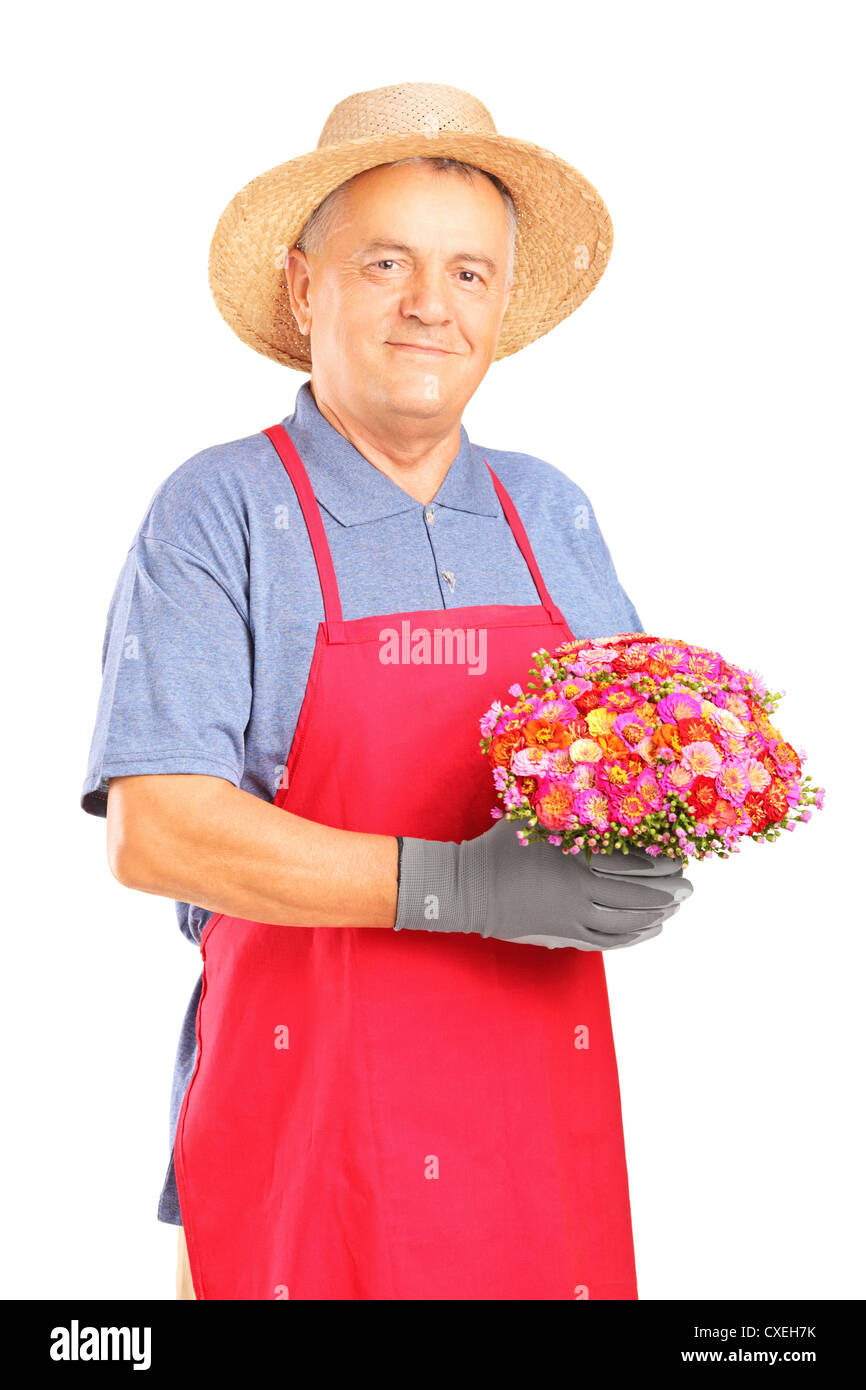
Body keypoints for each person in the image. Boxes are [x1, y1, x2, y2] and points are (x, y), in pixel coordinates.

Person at [81, 81, 693, 1302]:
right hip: (310, 1128)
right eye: (385, 262)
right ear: (306, 287)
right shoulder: (219, 511)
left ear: (501, 305)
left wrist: (656, 844)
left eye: (468, 273)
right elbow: (160, 831)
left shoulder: (549, 507)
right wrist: (458, 883)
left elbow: (638, 761)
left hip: (537, 1123)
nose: (430, 305)